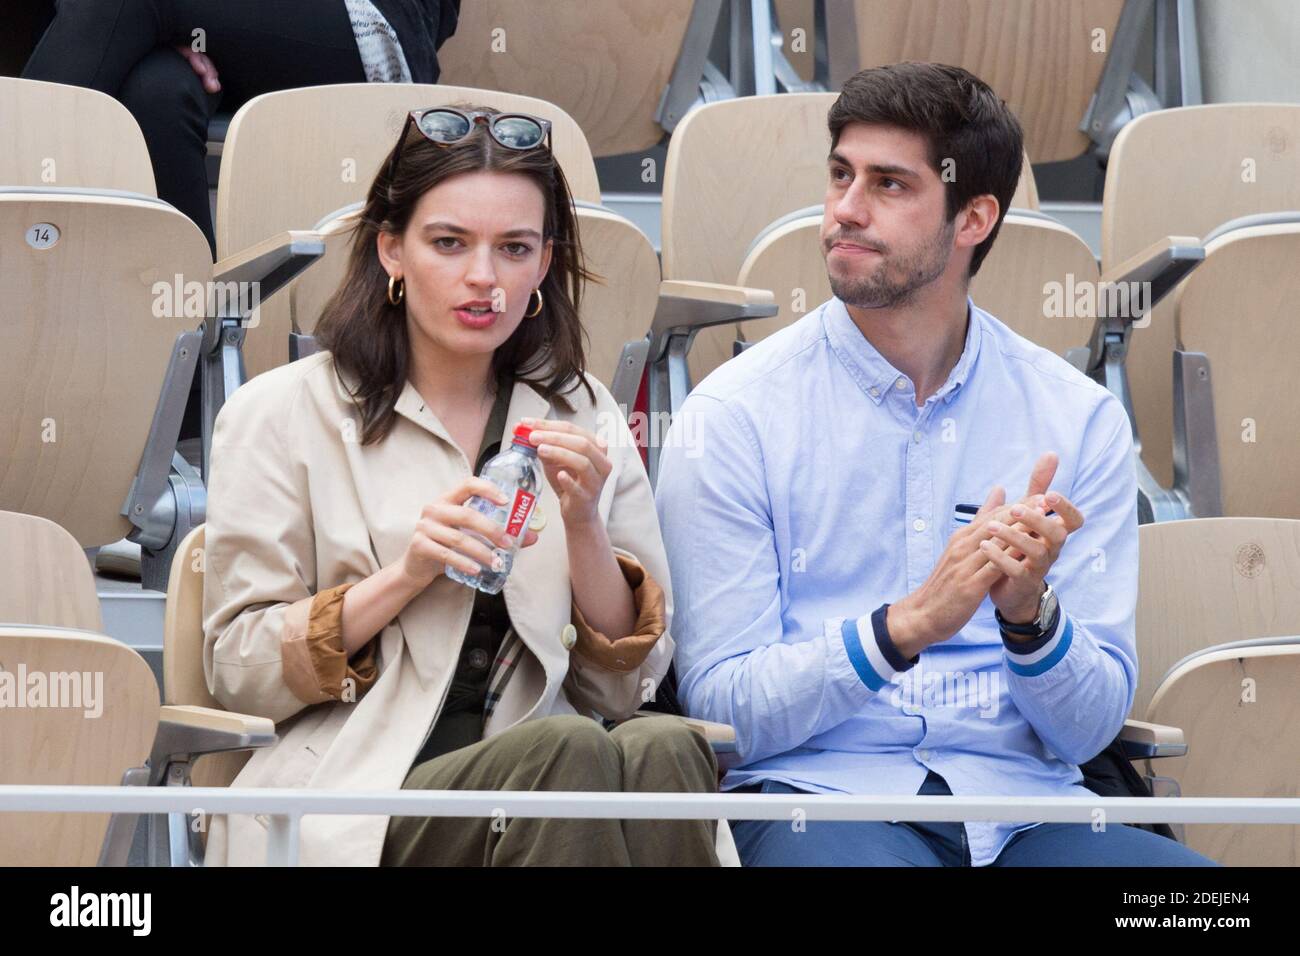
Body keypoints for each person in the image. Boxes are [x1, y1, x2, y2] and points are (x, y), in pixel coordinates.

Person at [654, 62, 1216, 867]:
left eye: (888, 185)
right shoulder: (734, 416)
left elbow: (1090, 730)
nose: (845, 210)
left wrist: (1030, 619)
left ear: (973, 217)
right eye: (841, 175)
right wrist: (904, 627)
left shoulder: (1076, 416)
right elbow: (725, 708)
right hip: (823, 806)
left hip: (1027, 813)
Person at [200, 104, 720, 866]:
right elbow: (238, 670)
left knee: (667, 747)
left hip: (544, 774)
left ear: (543, 265)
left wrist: (583, 528)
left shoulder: (584, 413)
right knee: (565, 753)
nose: (485, 278)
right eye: (449, 243)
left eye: (514, 248)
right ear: (391, 252)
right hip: (355, 794)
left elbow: (622, 692)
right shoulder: (278, 411)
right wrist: (406, 576)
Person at [22, 0, 461, 257]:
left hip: (365, 23)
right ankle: (187, 359)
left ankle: (13, 202)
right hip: (216, 23)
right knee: (156, 92)